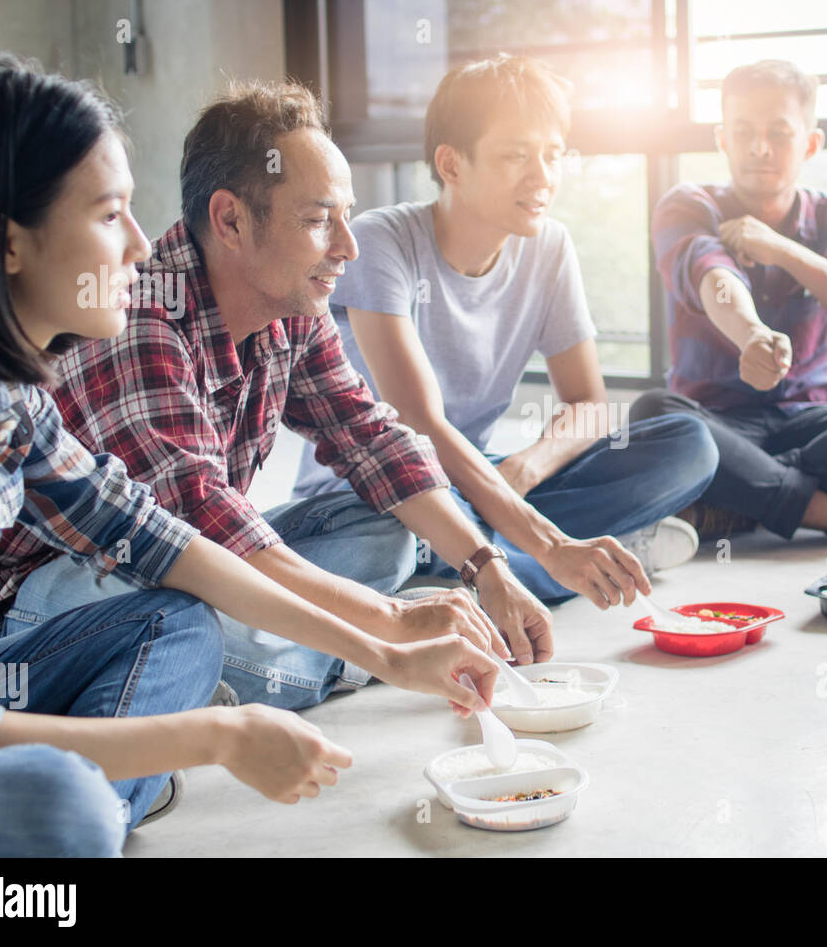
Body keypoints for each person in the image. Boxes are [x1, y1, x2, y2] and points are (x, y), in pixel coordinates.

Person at [0, 57, 499, 856]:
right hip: (7, 635)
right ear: (8, 243)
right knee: (64, 805)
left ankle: (161, 729)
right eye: (107, 214)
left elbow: (167, 541)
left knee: (185, 617)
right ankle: (132, 761)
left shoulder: (7, 396)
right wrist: (214, 736)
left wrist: (390, 641)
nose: (136, 242)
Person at [0, 77, 558, 715]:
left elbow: (373, 439)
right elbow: (194, 534)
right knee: (182, 622)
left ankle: (251, 669)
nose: (348, 246)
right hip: (51, 597)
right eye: (317, 220)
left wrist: (486, 565)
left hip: (188, 555)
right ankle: (277, 667)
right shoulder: (137, 322)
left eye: (345, 215)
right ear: (230, 220)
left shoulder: (294, 306)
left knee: (386, 528)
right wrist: (387, 626)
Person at [293, 55, 720, 606]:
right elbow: (418, 423)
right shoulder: (382, 242)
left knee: (687, 444)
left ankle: (476, 575)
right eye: (517, 155)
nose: (543, 176)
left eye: (553, 154)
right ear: (451, 164)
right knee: (404, 533)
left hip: (479, 480)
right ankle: (540, 564)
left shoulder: (548, 247)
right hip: (384, 493)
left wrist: (523, 469)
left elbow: (589, 404)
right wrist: (547, 540)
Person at [629, 59, 827, 546]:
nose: (759, 148)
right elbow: (713, 274)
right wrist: (751, 335)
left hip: (814, 429)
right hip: (716, 426)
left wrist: (783, 250)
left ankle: (740, 502)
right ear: (722, 139)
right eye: (744, 132)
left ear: (811, 143)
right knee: (655, 413)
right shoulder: (689, 204)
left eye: (779, 133)